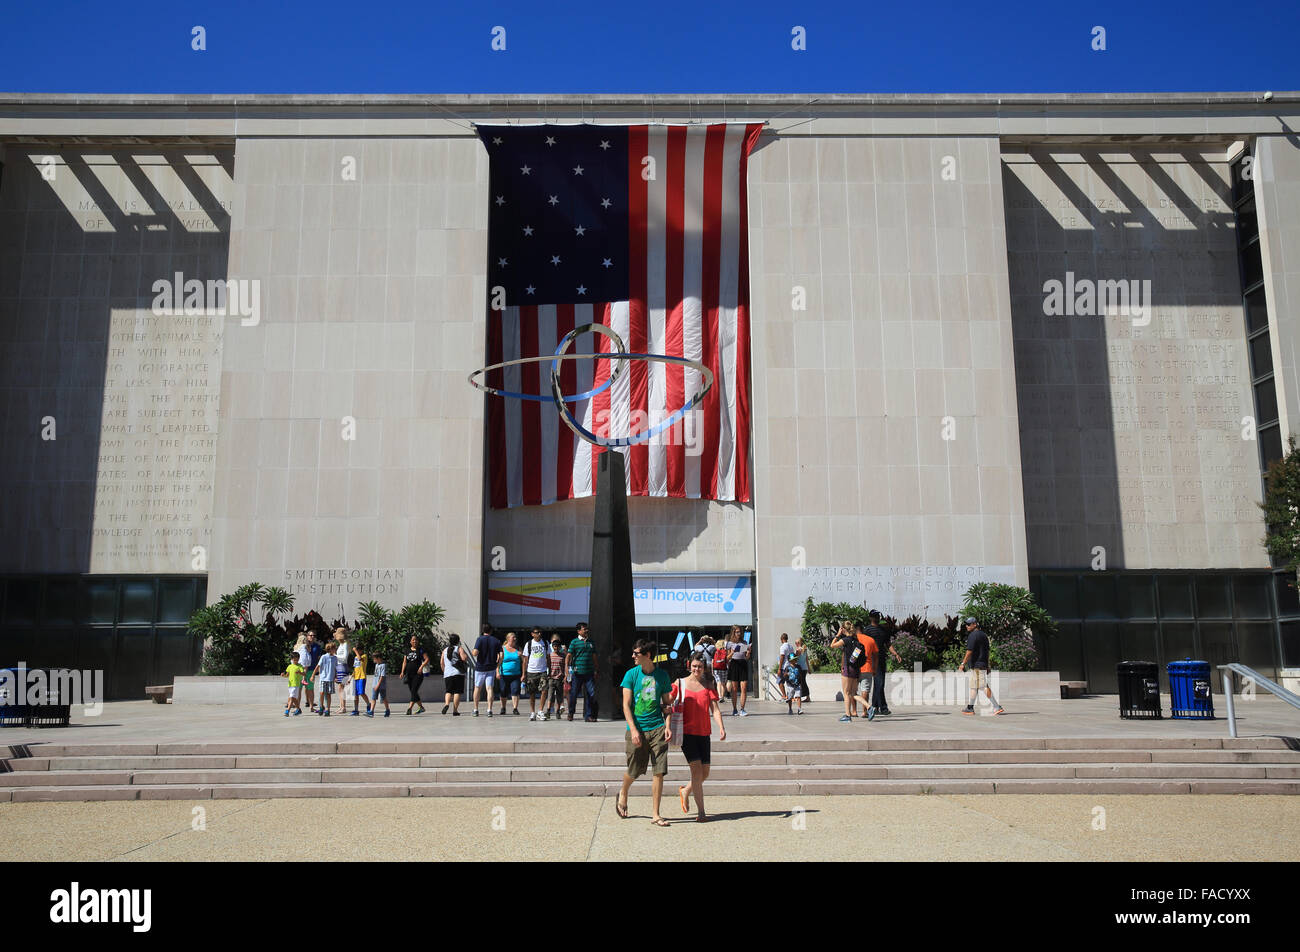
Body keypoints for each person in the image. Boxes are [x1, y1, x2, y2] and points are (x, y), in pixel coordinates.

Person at [616, 638, 674, 827]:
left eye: (636, 653)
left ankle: (656, 814)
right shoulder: (631, 675)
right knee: (634, 771)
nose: (633, 656)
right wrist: (633, 730)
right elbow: (625, 705)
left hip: (657, 727)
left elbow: (667, 704)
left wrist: (668, 725)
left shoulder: (662, 676)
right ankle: (624, 792)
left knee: (659, 772)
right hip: (637, 728)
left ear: (648, 655)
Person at [671, 656, 726, 821]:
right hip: (687, 733)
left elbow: (715, 709)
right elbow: (667, 701)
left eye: (700, 667)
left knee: (705, 772)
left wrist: (721, 727)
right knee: (696, 771)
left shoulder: (708, 684)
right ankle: (702, 811)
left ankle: (686, 790)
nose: (697, 669)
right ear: (689, 666)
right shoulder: (679, 683)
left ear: (704, 668)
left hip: (704, 733)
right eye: (694, 666)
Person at [958, 616, 1005, 715]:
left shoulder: (973, 635)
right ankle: (970, 708)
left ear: (974, 624)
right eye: (966, 624)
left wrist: (963, 663)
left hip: (977, 665)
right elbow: (987, 652)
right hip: (981, 664)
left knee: (983, 686)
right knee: (974, 687)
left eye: (968, 624)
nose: (967, 626)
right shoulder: (984, 635)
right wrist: (987, 665)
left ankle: (997, 706)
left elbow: (969, 651)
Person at [830, 621, 870, 722]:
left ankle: (847, 715)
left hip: (847, 669)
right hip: (856, 669)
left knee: (846, 693)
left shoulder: (845, 640)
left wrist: (838, 635)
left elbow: (832, 645)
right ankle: (869, 706)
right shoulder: (856, 641)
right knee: (852, 693)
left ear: (843, 629)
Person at [865, 611, 903, 716]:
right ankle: (881, 707)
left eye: (878, 616)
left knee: (879, 684)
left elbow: (888, 644)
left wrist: (895, 654)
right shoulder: (867, 630)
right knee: (879, 683)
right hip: (872, 660)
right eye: (875, 616)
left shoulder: (883, 630)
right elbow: (863, 644)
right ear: (871, 618)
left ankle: (876, 707)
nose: (877, 618)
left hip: (881, 659)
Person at [565, 622, 598, 722]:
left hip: (589, 673)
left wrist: (596, 669)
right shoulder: (574, 642)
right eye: (584, 629)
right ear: (579, 631)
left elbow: (594, 657)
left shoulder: (591, 642)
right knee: (574, 694)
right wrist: (566, 667)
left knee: (591, 694)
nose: (586, 630)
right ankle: (571, 713)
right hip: (577, 673)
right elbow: (569, 655)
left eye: (587, 628)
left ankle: (588, 716)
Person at [472, 623, 502, 717]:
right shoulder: (496, 641)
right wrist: (498, 664)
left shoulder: (479, 639)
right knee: (489, 688)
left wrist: (474, 651)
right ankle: (489, 709)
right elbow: (501, 655)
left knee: (477, 688)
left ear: (483, 630)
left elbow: (475, 653)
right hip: (491, 667)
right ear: (491, 630)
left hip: (480, 667)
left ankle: (476, 709)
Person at [522, 628, 549, 720]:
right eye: (537, 632)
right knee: (532, 693)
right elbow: (525, 660)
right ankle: (532, 712)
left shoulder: (545, 643)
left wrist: (549, 669)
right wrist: (523, 674)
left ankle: (540, 711)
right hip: (531, 671)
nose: (539, 634)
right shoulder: (528, 644)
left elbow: (548, 657)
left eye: (540, 632)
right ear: (532, 634)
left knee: (544, 690)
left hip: (543, 670)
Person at [854, 621, 880, 720]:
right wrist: (875, 668)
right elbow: (876, 655)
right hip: (867, 668)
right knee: (865, 690)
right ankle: (865, 712)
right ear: (862, 629)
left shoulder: (854, 639)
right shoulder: (870, 640)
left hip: (855, 668)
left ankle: (854, 711)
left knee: (852, 691)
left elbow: (853, 655)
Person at [440, 633, 469, 715]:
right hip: (458, 673)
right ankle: (455, 710)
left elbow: (441, 663)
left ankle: (446, 704)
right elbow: (464, 658)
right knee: (457, 692)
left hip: (448, 674)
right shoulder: (459, 648)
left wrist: (444, 672)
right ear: (458, 641)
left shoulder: (445, 650)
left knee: (448, 691)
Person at [400, 635, 429, 715]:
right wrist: (402, 672)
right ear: (410, 642)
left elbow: (427, 659)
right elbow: (404, 662)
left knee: (413, 690)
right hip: (409, 674)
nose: (414, 641)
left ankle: (410, 708)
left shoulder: (421, 650)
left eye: (416, 640)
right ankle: (421, 707)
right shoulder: (407, 650)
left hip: (418, 674)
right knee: (413, 692)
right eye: (413, 640)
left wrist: (421, 667)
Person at [725, 626, 751, 716]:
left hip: (743, 664)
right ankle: (735, 709)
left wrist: (748, 653)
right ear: (733, 633)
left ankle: (742, 709)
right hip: (734, 664)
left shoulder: (744, 642)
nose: (739, 634)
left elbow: (746, 657)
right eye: (737, 632)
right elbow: (727, 658)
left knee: (744, 688)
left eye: (740, 632)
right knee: (734, 689)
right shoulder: (729, 643)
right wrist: (732, 652)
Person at [542, 633, 566, 720]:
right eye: (554, 646)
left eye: (557, 646)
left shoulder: (563, 655)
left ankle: (557, 712)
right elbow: (548, 665)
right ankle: (548, 710)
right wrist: (548, 675)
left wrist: (565, 676)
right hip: (551, 678)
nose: (556, 648)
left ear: (559, 647)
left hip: (559, 679)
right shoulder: (550, 655)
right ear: (552, 646)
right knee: (550, 695)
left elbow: (564, 666)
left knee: (559, 696)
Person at [499, 632, 523, 715]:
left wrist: (521, 655)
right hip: (504, 674)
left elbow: (524, 662)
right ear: (508, 639)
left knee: (515, 691)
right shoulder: (502, 649)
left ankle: (515, 708)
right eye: (513, 637)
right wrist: (497, 672)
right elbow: (498, 661)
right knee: (503, 691)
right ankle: (503, 708)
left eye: (515, 637)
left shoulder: (518, 649)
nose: (515, 639)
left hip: (516, 674)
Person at [314, 642, 338, 716]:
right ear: (329, 649)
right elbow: (318, 666)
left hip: (330, 678)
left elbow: (335, 668)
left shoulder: (335, 658)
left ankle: (328, 709)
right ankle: (321, 706)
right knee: (321, 693)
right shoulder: (324, 657)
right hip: (323, 678)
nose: (335, 649)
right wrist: (313, 675)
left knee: (328, 694)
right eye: (334, 648)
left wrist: (336, 677)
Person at [334, 629, 352, 713]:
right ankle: (341, 706)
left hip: (343, 666)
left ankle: (343, 707)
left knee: (342, 687)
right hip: (339, 666)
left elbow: (344, 657)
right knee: (340, 688)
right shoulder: (341, 645)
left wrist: (335, 656)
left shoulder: (345, 645)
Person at [352, 649, 373, 717]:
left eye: (358, 650)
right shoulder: (355, 657)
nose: (357, 652)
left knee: (361, 692)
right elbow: (355, 668)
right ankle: (356, 709)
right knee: (355, 694)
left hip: (362, 677)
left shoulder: (364, 656)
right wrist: (351, 677)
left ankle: (368, 704)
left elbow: (360, 659)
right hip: (356, 677)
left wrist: (355, 651)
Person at [283, 651, 305, 717]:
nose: (296, 661)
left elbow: (304, 673)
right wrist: (283, 675)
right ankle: (298, 709)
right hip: (290, 684)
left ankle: (287, 711)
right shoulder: (289, 666)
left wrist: (300, 673)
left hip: (296, 684)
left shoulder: (300, 666)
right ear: (291, 659)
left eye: (297, 659)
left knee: (292, 697)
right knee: (294, 698)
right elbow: (287, 675)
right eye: (294, 660)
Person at [373, 651, 390, 717]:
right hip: (375, 685)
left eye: (374, 658)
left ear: (379, 658)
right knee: (373, 698)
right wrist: (374, 684)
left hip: (381, 686)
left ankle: (387, 710)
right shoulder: (376, 665)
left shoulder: (383, 665)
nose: (374, 660)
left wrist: (378, 685)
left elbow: (382, 676)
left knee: (384, 698)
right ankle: (371, 711)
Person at [776, 633, 794, 701]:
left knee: (780, 682)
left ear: (782, 639)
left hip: (784, 667)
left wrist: (779, 668)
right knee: (789, 683)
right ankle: (790, 697)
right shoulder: (791, 647)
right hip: (790, 666)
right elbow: (792, 656)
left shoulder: (783, 647)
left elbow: (782, 657)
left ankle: (784, 696)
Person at [794, 636, 811, 702]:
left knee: (800, 683)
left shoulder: (798, 650)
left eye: (796, 642)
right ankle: (806, 697)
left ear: (799, 643)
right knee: (803, 682)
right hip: (804, 668)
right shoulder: (804, 649)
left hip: (800, 667)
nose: (795, 643)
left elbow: (795, 659)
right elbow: (806, 659)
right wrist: (809, 668)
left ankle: (801, 697)